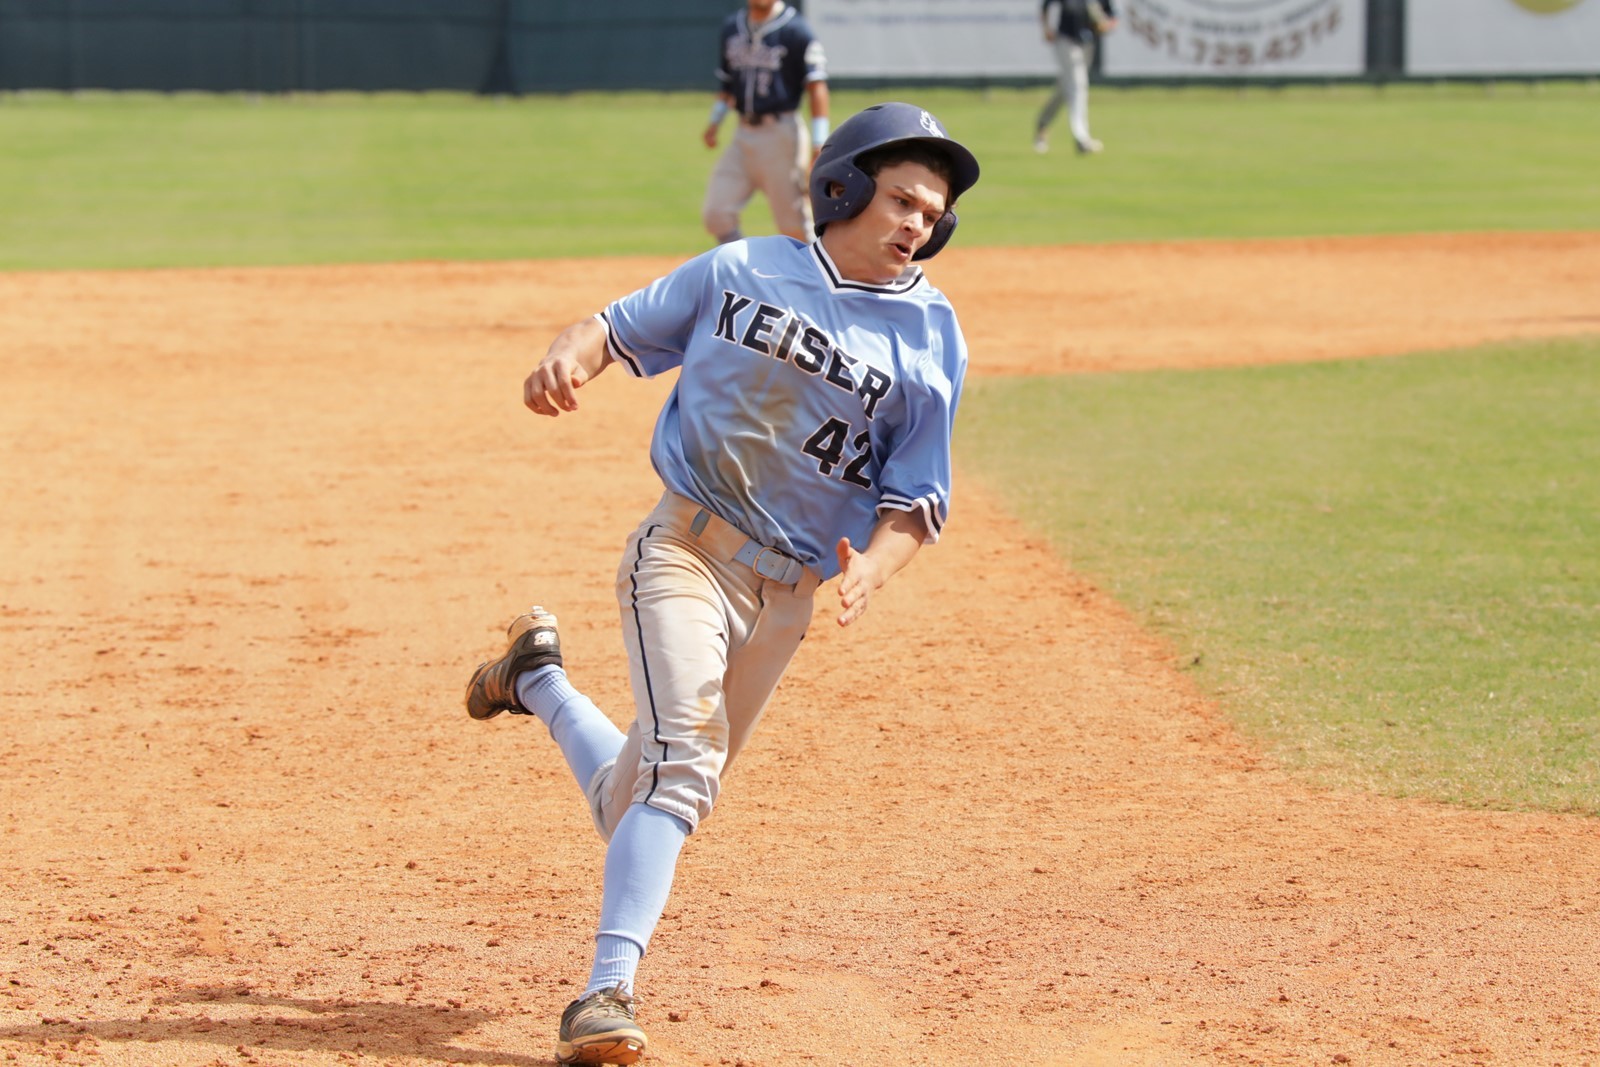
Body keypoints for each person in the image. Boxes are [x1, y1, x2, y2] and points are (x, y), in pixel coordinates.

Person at [464, 101, 980, 1066]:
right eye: (903, 197)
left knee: (649, 795)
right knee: (682, 766)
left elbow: (917, 499)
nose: (916, 222)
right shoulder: (745, 269)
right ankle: (603, 992)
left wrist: (872, 564)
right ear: (847, 187)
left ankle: (535, 677)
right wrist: (563, 359)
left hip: (785, 601)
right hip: (685, 553)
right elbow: (615, 329)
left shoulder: (932, 337)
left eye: (933, 212)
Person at [701, 0, 830, 244]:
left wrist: (818, 143)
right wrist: (714, 122)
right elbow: (728, 86)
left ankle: (814, 278)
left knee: (794, 227)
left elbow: (817, 86)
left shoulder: (796, 30)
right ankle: (742, 272)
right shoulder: (732, 28)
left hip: (781, 135)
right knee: (716, 214)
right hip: (742, 135)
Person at [1034, 0, 1117, 155]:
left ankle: (1042, 125)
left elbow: (1111, 15)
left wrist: (1106, 24)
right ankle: (1082, 138)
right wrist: (1046, 27)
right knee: (1078, 86)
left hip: (1088, 42)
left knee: (1066, 89)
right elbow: (1046, 5)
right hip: (1066, 40)